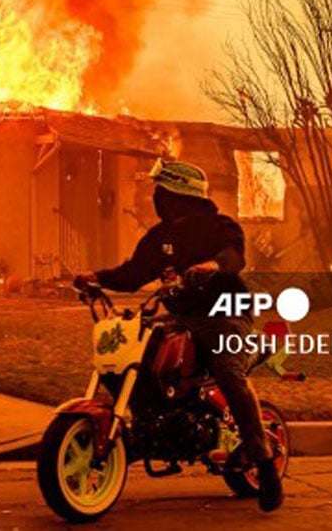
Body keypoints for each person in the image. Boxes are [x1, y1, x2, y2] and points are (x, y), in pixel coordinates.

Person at [73, 158, 284, 513]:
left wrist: (213, 266)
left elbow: (233, 256)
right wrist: (95, 277)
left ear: (179, 195)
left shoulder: (220, 226)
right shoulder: (159, 237)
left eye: (161, 191)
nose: (155, 197)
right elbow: (132, 274)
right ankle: (151, 427)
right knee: (140, 356)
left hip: (225, 313)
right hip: (182, 316)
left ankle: (263, 462)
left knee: (229, 374)